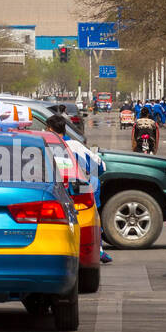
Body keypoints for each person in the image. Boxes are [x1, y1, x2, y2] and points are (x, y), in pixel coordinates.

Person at [48, 113, 111, 264]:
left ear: (49, 129)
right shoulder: (75, 146)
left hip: (55, 194)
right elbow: (100, 166)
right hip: (81, 193)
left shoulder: (45, 146)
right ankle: (98, 251)